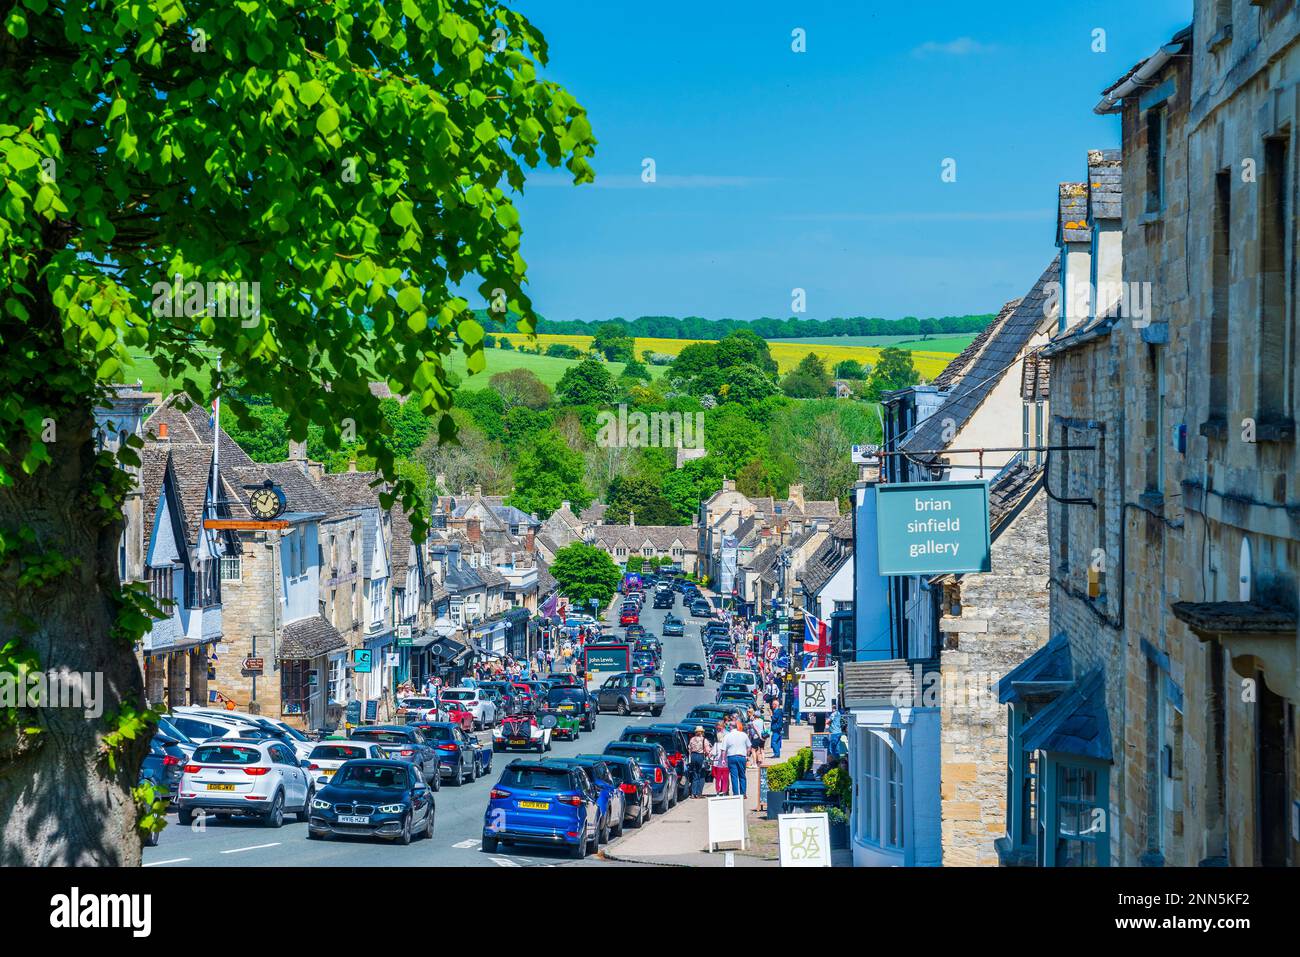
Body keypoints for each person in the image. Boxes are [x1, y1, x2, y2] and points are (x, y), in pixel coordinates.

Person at [721, 721, 752, 798]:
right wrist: (747, 755)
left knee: (734, 776)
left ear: (730, 727)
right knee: (742, 775)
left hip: (731, 757)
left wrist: (723, 759)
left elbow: (723, 749)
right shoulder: (743, 734)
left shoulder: (727, 736)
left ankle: (736, 794)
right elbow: (749, 746)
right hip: (741, 756)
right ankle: (743, 793)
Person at [687, 726, 710, 798]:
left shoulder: (692, 739)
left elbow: (689, 749)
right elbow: (707, 750)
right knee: (702, 774)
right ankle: (699, 793)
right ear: (702, 732)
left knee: (695, 774)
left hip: (693, 756)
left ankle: (693, 793)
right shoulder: (704, 740)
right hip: (700, 756)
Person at [711, 722, 731, 795]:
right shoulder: (724, 742)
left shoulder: (726, 734)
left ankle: (720, 791)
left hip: (718, 764)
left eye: (718, 727)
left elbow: (713, 753)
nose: (717, 728)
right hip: (725, 763)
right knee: (725, 778)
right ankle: (725, 791)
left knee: (718, 778)